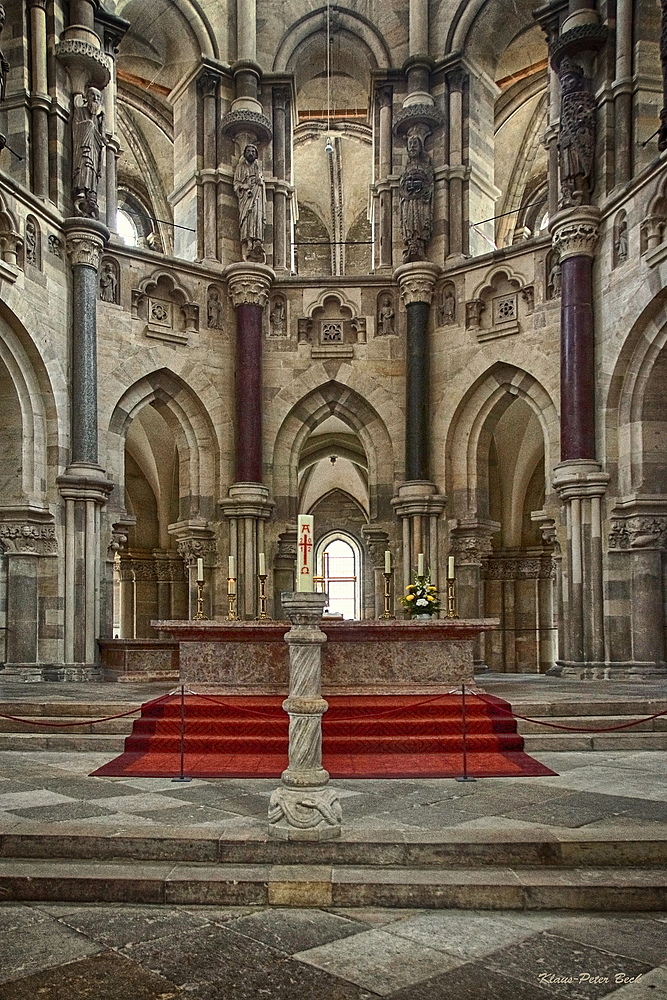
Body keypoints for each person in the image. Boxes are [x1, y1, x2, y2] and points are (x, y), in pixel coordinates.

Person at [398, 133, 434, 262]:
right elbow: (401, 186)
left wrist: (420, 184)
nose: (412, 146)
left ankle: (419, 245)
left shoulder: (426, 166)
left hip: (420, 200)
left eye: (415, 144)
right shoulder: (406, 168)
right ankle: (410, 244)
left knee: (421, 221)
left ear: (420, 147)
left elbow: (429, 183)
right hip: (408, 200)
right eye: (410, 144)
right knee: (408, 221)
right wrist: (407, 185)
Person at [72, 87, 106, 219]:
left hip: (94, 151)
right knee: (84, 167)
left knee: (91, 170)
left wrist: (101, 130)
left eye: (98, 97)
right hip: (83, 148)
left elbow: (101, 141)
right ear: (87, 97)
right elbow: (75, 128)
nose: (95, 99)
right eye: (93, 96)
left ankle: (91, 193)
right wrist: (89, 125)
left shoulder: (98, 120)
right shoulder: (80, 111)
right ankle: (81, 190)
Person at [233, 143, 266, 262]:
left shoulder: (258, 167)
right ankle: (248, 243)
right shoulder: (240, 167)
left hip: (257, 195)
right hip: (245, 197)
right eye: (248, 151)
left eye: (253, 151)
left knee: (257, 216)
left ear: (256, 154)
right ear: (245, 153)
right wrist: (244, 186)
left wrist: (259, 181)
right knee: (246, 218)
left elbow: (261, 182)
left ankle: (257, 241)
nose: (251, 153)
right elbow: (236, 184)